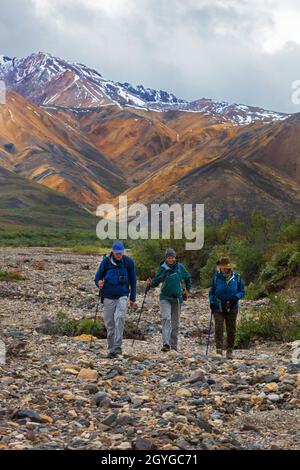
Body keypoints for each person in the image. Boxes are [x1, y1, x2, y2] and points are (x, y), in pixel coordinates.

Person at [95, 241, 137, 358]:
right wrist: (99, 283)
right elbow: (97, 277)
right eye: (117, 253)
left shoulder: (128, 262)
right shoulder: (106, 261)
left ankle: (118, 347)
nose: (119, 255)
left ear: (123, 251)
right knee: (109, 323)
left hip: (122, 295)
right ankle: (111, 348)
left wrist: (132, 297)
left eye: (121, 253)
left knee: (120, 317)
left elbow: (133, 281)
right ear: (113, 251)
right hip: (108, 295)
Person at [147, 248, 192, 352]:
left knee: (176, 323)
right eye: (168, 257)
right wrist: (150, 284)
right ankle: (166, 344)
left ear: (175, 258)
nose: (170, 259)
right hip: (165, 298)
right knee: (166, 318)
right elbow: (156, 281)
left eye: (172, 257)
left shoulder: (180, 267)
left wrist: (188, 290)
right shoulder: (162, 268)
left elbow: (188, 277)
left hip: (177, 298)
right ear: (166, 258)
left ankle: (174, 345)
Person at [209, 256, 245, 359]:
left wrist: (236, 297)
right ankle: (219, 350)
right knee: (219, 327)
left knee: (231, 328)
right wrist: (211, 302)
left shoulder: (237, 277)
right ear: (220, 267)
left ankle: (230, 350)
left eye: (226, 267)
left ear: (229, 267)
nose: (224, 269)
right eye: (222, 267)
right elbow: (212, 291)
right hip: (218, 306)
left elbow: (242, 291)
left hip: (232, 306)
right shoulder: (216, 277)